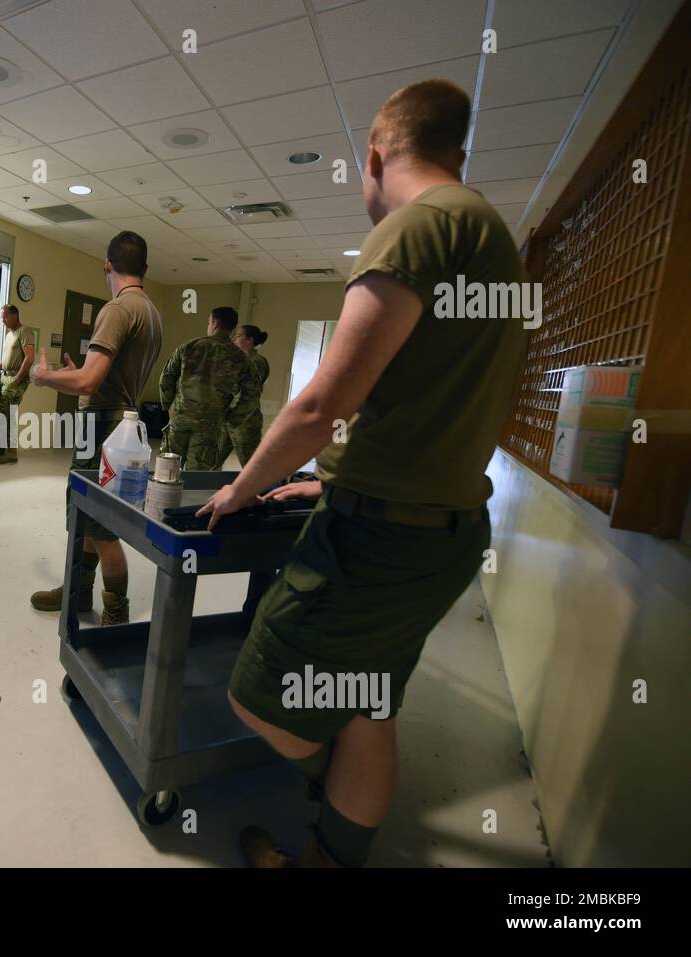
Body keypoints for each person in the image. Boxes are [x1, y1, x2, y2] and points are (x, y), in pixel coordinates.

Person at [197, 79, 529, 868]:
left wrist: (242, 487)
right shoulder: (493, 241)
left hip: (377, 541)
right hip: (440, 528)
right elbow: (426, 407)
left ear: (375, 157)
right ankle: (332, 852)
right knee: (367, 703)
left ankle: (327, 787)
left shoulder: (421, 226)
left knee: (260, 694)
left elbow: (321, 404)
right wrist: (334, 479)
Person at [29, 231, 163, 624]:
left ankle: (115, 614)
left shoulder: (118, 309)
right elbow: (99, 377)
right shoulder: (151, 311)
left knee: (102, 525)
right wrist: (80, 375)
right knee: (88, 515)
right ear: (145, 268)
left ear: (107, 264)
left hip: (103, 425)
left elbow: (89, 383)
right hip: (120, 420)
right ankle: (79, 592)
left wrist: (45, 376)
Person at [159, 306, 259, 470]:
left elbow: (167, 377)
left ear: (214, 323)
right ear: (232, 328)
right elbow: (252, 395)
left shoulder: (189, 347)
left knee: (167, 470)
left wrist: (169, 405)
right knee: (197, 476)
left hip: (180, 417)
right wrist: (232, 418)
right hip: (210, 425)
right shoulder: (242, 359)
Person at [0, 304, 34, 464]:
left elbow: (30, 358)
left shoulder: (25, 331)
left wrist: (17, 379)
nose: (2, 320)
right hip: (5, 377)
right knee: (6, 414)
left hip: (15, 379)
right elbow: (5, 362)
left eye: (4, 316)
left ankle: (7, 452)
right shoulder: (9, 335)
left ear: (14, 316)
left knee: (5, 415)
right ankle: (9, 452)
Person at [218, 324, 271, 466]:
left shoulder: (257, 362)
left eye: (239, 335)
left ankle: (262, 489)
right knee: (212, 461)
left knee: (251, 466)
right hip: (228, 418)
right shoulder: (239, 361)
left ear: (250, 340)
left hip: (245, 421)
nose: (234, 339)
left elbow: (248, 391)